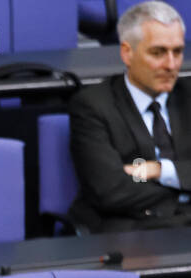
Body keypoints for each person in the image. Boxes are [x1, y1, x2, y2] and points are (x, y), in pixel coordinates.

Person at [70, 1, 191, 232]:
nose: (171, 64)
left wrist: (157, 170)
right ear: (127, 52)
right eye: (158, 52)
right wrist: (183, 188)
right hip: (132, 229)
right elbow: (110, 189)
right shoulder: (92, 105)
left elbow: (130, 179)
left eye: (177, 51)